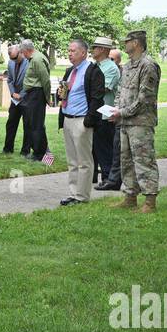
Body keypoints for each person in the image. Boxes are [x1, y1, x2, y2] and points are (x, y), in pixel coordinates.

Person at [109, 30, 161, 212]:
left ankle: (149, 201)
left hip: (141, 122)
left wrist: (121, 112)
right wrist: (115, 110)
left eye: (128, 41)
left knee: (144, 160)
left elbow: (144, 99)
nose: (125, 44)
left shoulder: (148, 66)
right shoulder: (128, 66)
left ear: (137, 43)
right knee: (127, 161)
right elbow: (120, 92)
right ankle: (130, 196)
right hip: (125, 121)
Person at [59, 37, 106, 206]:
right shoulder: (70, 71)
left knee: (84, 161)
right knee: (72, 161)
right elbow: (66, 93)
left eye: (73, 51)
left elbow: (97, 98)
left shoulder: (93, 71)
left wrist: (88, 121)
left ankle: (82, 196)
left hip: (82, 121)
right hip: (68, 119)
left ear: (84, 53)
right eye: (69, 51)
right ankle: (73, 193)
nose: (69, 54)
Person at [91, 38, 121, 189]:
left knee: (105, 148)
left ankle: (109, 178)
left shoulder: (110, 68)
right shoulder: (96, 66)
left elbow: (104, 89)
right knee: (94, 147)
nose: (92, 50)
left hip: (106, 113)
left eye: (95, 47)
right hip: (95, 113)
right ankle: (94, 176)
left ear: (102, 49)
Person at [19, 39, 51, 161]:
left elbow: (45, 80)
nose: (22, 55)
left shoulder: (37, 59)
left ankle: (40, 154)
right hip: (31, 95)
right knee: (31, 124)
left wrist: (47, 98)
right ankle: (39, 152)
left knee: (36, 125)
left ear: (27, 50)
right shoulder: (34, 58)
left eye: (22, 52)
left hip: (36, 95)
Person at [2, 42, 29, 156]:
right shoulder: (11, 63)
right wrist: (13, 93)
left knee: (27, 125)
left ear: (21, 52)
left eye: (15, 58)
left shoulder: (29, 63)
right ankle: (8, 149)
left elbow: (31, 81)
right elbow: (10, 80)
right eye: (11, 58)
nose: (14, 61)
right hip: (15, 100)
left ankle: (25, 151)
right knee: (11, 123)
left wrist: (21, 94)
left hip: (27, 98)